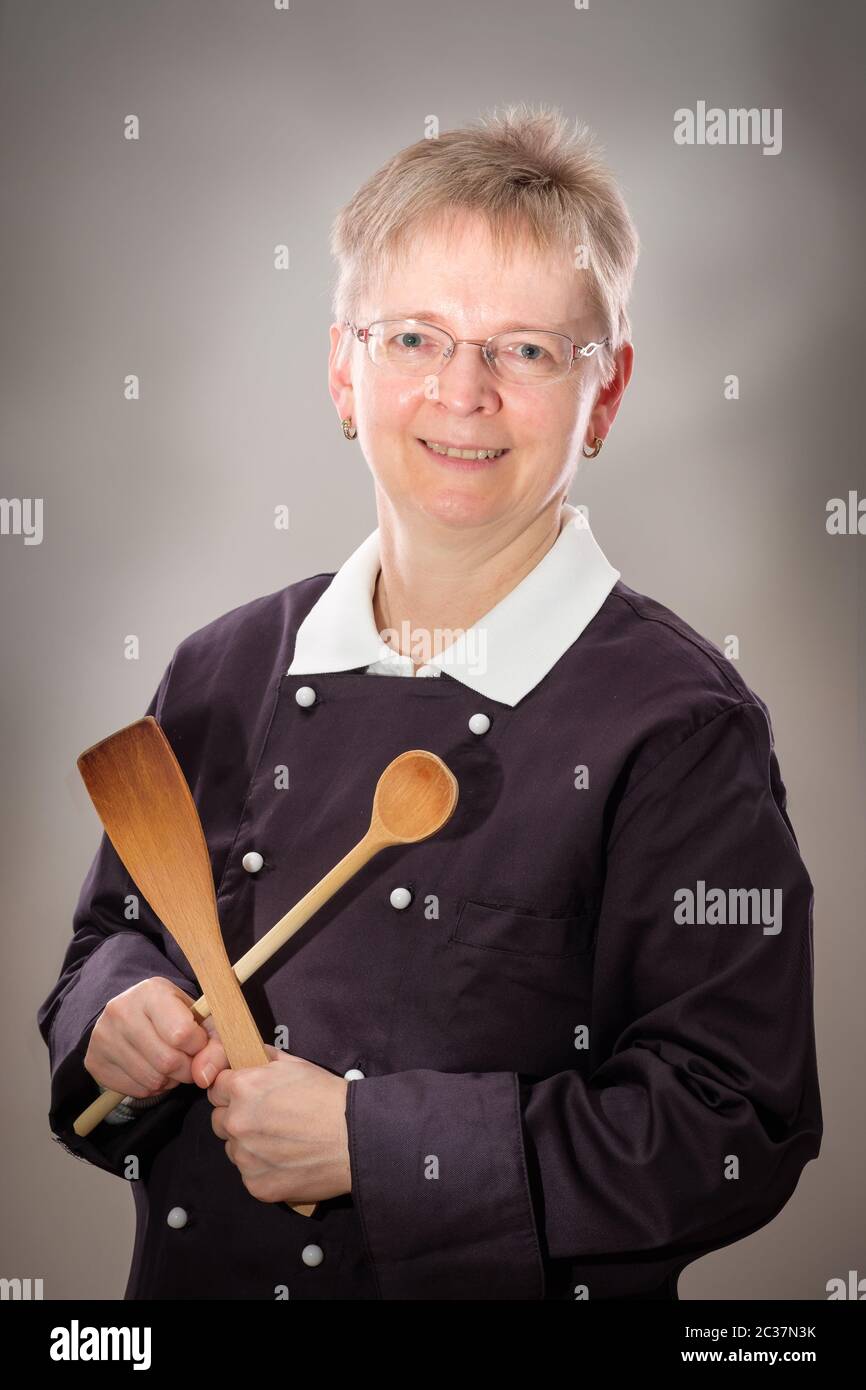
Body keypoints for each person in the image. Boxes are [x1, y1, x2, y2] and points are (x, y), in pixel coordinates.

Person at [37, 102, 822, 1301]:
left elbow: (732, 1124)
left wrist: (375, 1145)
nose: (462, 392)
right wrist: (115, 1007)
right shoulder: (219, 670)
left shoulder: (679, 727)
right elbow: (106, 939)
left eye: (525, 350)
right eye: (412, 337)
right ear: (343, 370)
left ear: (600, 395)